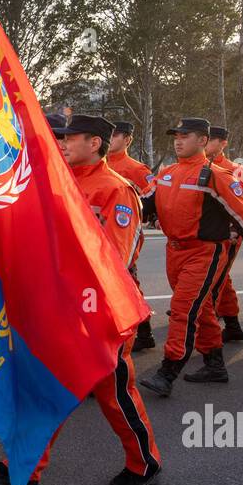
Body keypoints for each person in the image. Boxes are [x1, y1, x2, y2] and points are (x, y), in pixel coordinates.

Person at [0, 115, 162, 485]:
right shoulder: (60, 183)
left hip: (101, 313)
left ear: (95, 143)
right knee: (47, 386)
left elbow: (114, 259)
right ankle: (25, 469)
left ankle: (145, 463)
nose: (61, 143)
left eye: (69, 138)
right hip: (60, 307)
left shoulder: (116, 190)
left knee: (115, 395)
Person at [139, 118, 243, 397]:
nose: (178, 140)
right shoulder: (167, 173)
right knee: (201, 309)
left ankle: (168, 371)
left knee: (183, 310)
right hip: (174, 252)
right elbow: (142, 205)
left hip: (204, 252)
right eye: (176, 136)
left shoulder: (216, 175)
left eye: (186, 135)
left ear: (203, 141)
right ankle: (215, 364)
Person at [106, 121, 158, 352]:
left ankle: (141, 332)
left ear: (127, 140)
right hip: (102, 238)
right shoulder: (100, 164)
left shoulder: (136, 169)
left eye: (115, 135)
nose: (111, 140)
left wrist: (145, 217)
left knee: (128, 284)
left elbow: (154, 197)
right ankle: (142, 331)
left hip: (125, 237)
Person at [205, 125, 243, 342]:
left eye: (211, 140)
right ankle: (232, 323)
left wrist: (234, 229)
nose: (206, 144)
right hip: (206, 236)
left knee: (215, 280)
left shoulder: (235, 170)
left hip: (228, 235)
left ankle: (209, 336)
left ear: (223, 144)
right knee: (222, 278)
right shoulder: (198, 165)